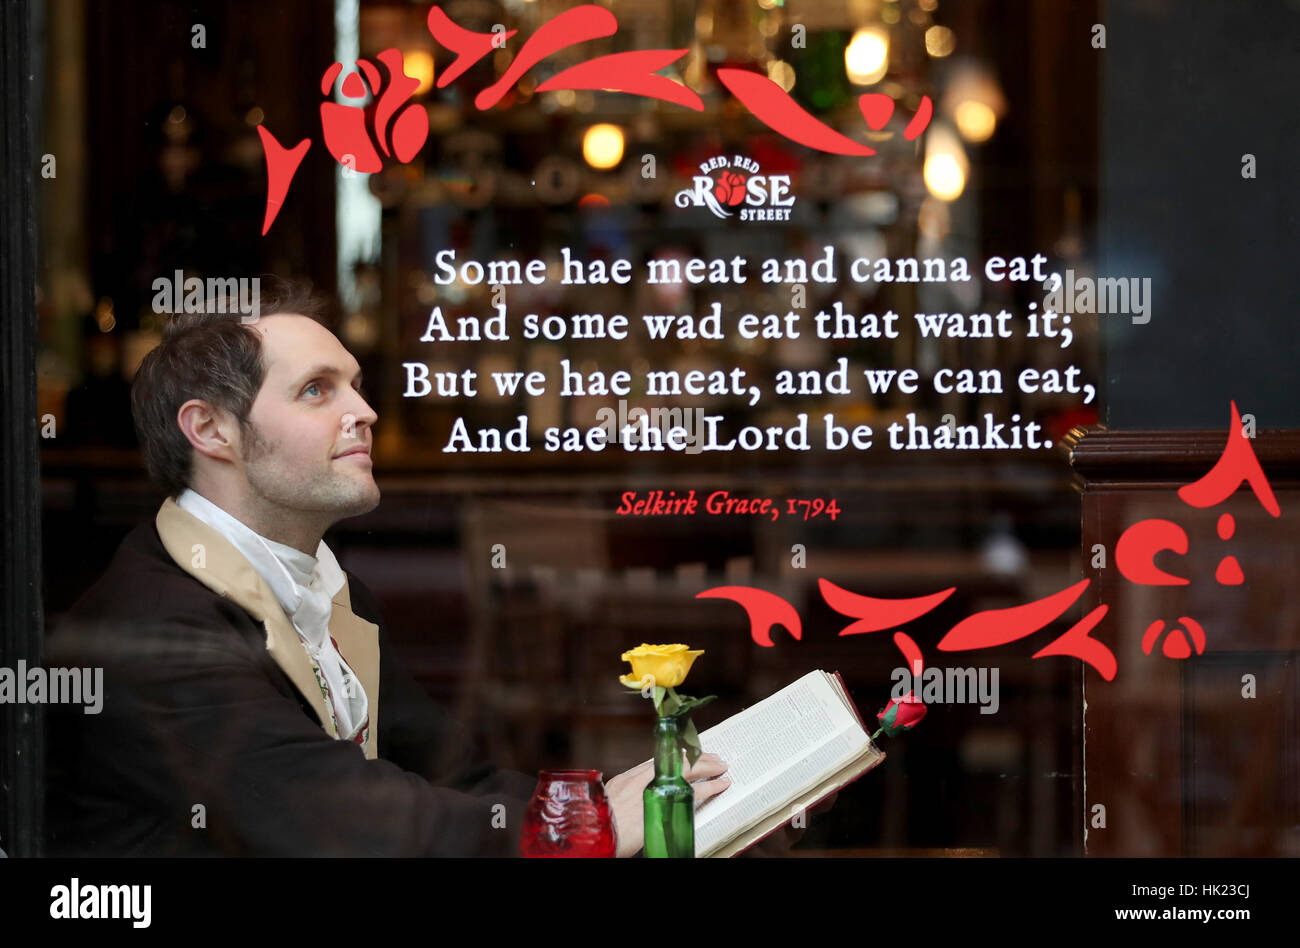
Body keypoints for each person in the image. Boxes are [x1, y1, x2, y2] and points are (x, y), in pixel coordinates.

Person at [44, 282, 730, 856]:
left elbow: (455, 778)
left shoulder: (331, 590)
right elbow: (346, 821)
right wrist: (592, 826)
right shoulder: (156, 628)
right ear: (212, 431)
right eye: (318, 390)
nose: (365, 412)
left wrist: (613, 802)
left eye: (356, 386)